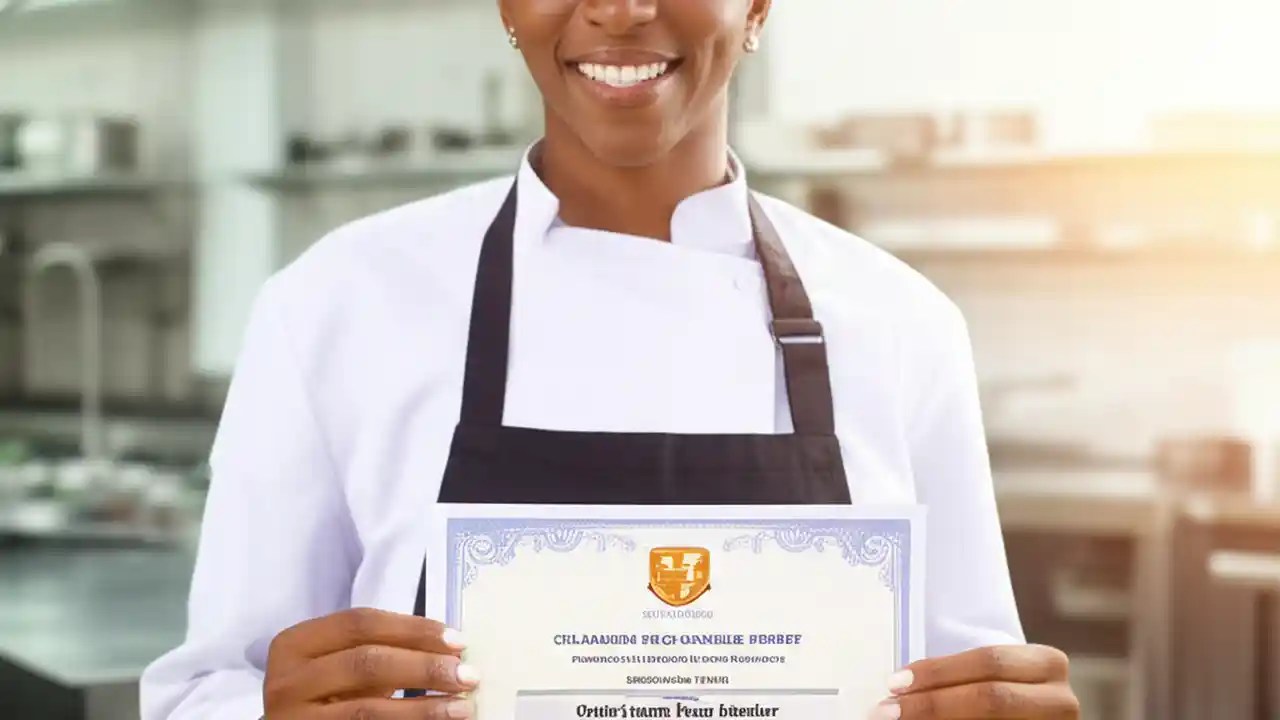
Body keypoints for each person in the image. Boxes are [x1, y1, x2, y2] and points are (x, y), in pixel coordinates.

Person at [142, 1, 1079, 719]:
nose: (622, 7)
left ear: (757, 8)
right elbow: (202, 690)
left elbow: (967, 678)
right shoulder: (336, 302)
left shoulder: (901, 321)